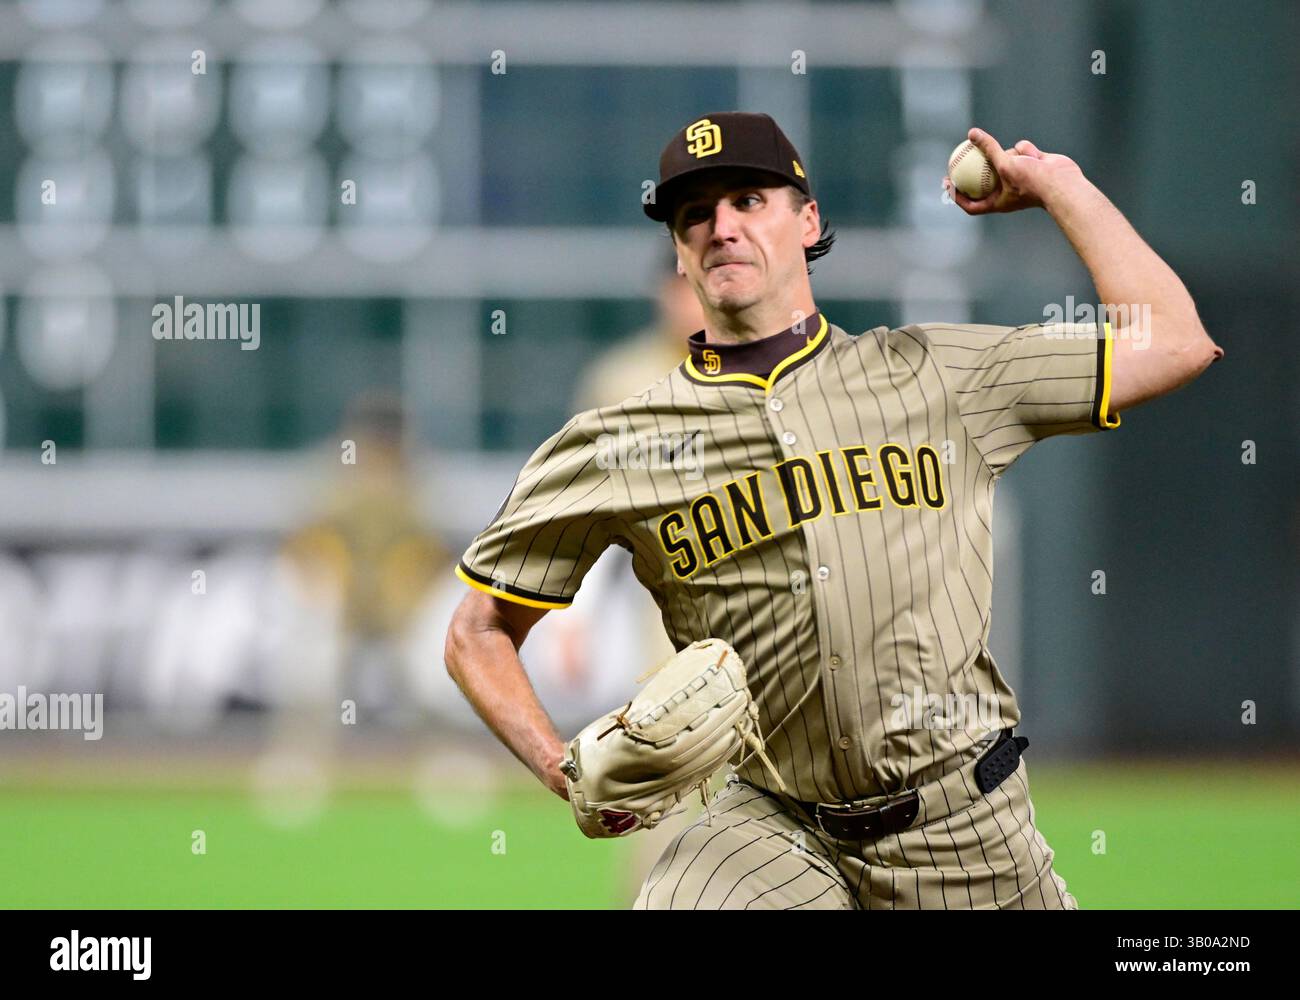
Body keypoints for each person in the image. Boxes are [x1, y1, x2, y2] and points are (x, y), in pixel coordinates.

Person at [444, 112, 1223, 908]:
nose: (721, 227)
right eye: (695, 216)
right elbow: (478, 629)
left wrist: (1063, 186)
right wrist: (557, 766)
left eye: (748, 200)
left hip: (963, 823)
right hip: (771, 825)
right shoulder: (620, 439)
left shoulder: (937, 375)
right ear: (679, 255)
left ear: (808, 220)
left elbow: (1173, 341)